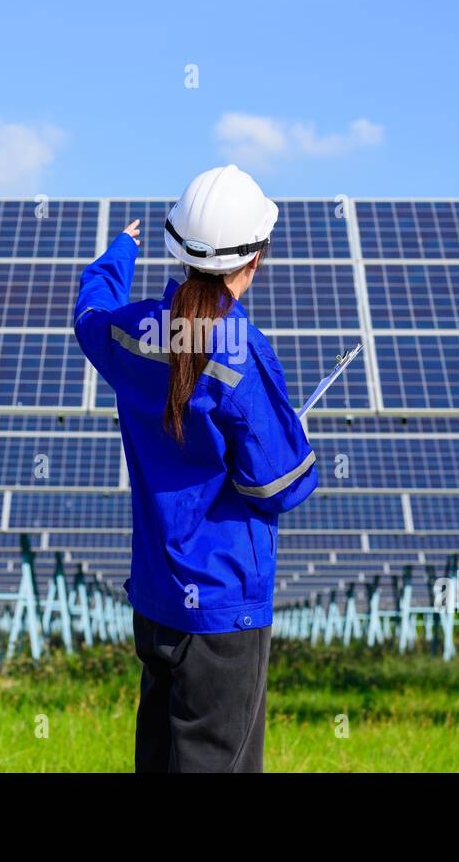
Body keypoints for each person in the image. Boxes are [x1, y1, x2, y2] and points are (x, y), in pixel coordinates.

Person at [73, 164, 318, 772]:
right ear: (254, 260)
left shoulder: (130, 335)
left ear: (176, 249)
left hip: (157, 604)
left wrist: (116, 255)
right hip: (222, 611)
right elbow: (279, 484)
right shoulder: (243, 351)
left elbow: (89, 316)